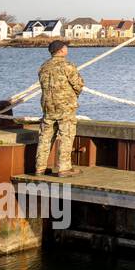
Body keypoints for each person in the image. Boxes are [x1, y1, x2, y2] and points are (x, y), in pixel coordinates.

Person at [36, 39, 84, 177]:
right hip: (65, 105)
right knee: (66, 135)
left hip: (47, 105)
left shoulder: (43, 67)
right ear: (61, 50)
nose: (67, 49)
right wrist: (73, 95)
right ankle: (64, 168)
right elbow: (78, 84)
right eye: (65, 47)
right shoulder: (67, 65)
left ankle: (40, 167)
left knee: (45, 136)